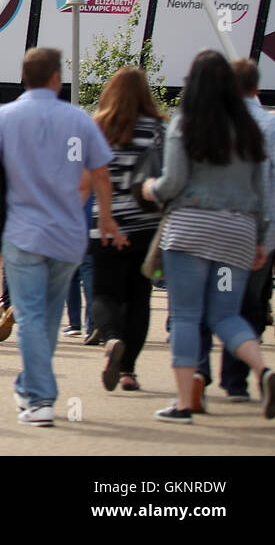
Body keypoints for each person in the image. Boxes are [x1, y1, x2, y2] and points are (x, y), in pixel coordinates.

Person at [0, 47, 124, 427]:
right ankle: (29, 386)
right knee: (49, 318)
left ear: (24, 77)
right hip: (69, 234)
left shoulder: (5, 117)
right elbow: (102, 172)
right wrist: (105, 217)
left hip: (24, 233)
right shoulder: (79, 119)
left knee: (31, 316)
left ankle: (40, 398)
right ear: (57, 78)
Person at [141, 51, 274, 423]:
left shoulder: (185, 125)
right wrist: (261, 239)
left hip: (190, 232)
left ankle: (184, 402)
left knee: (185, 315)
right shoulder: (250, 129)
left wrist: (150, 188)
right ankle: (264, 370)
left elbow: (173, 183)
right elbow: (261, 192)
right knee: (226, 315)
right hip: (237, 235)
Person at [82, 67, 165, 393]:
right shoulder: (159, 129)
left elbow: (85, 180)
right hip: (146, 226)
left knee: (104, 293)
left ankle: (111, 338)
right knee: (138, 298)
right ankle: (129, 371)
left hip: (105, 222)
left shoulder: (97, 127)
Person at [198, 59, 275, 402]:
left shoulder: (207, 124)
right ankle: (237, 381)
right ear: (256, 88)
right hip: (258, 233)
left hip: (210, 233)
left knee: (200, 305)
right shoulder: (269, 125)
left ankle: (197, 372)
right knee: (248, 306)